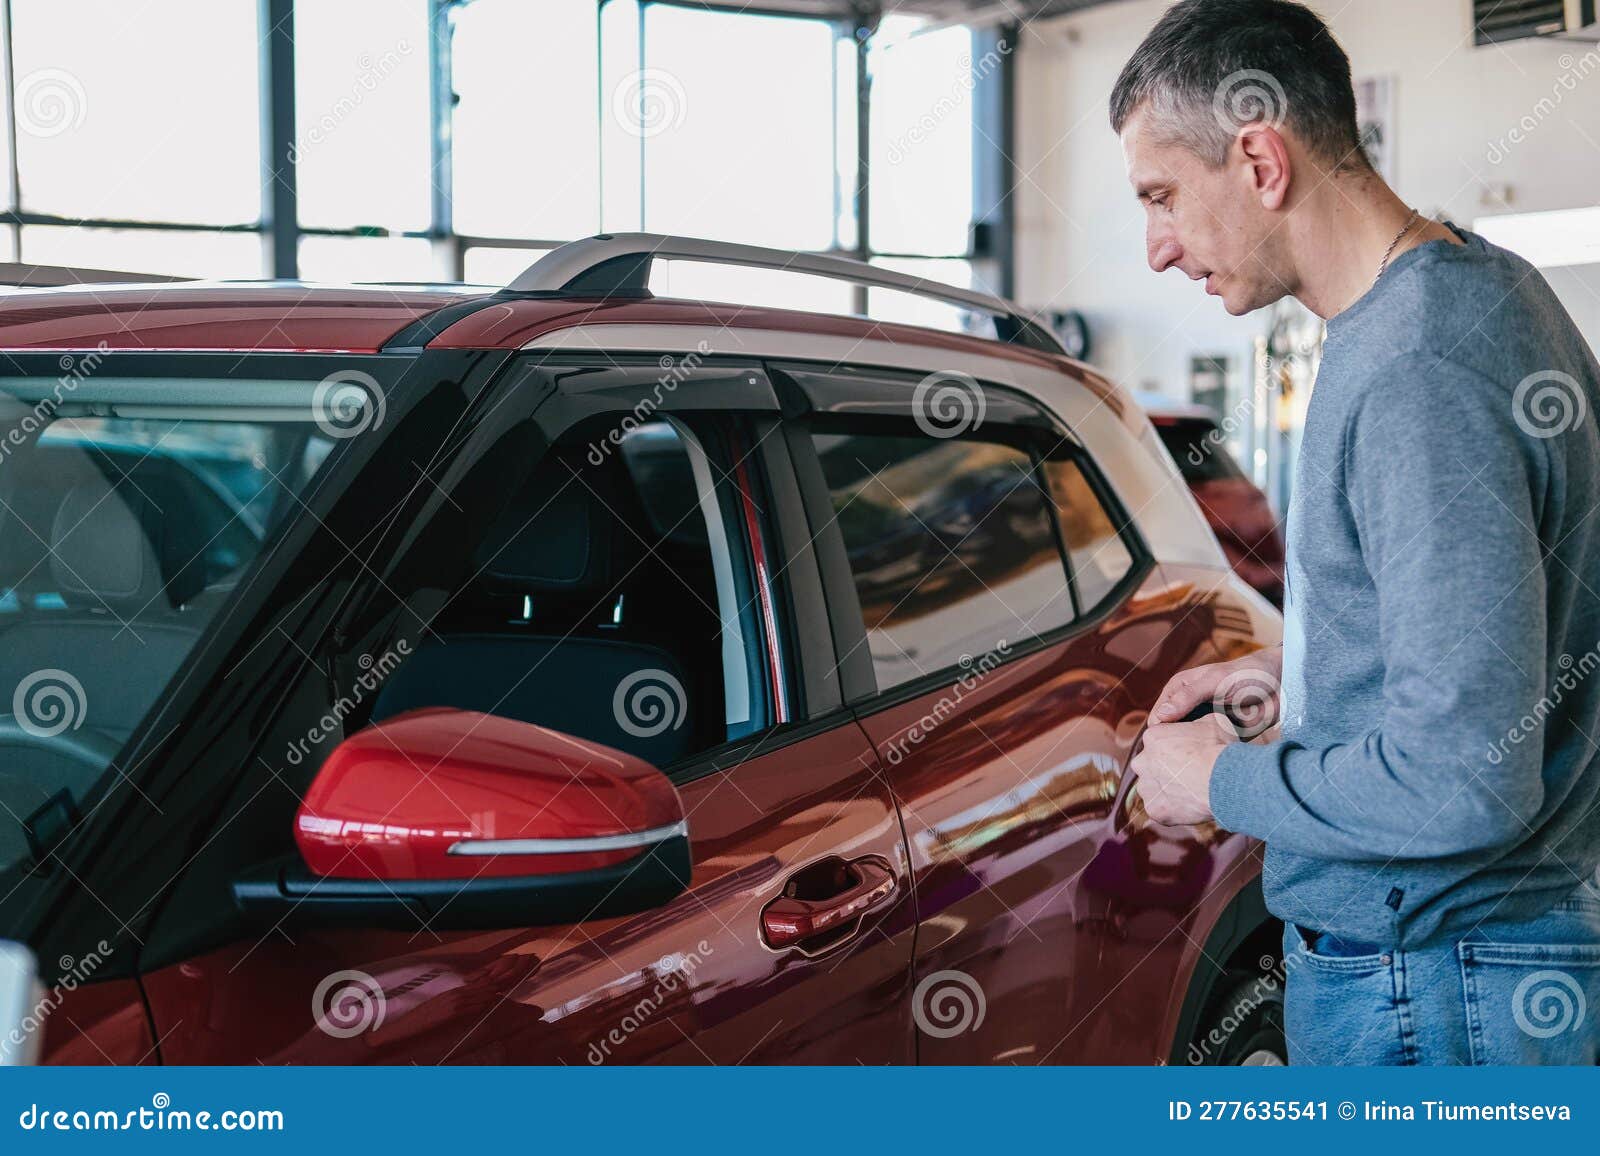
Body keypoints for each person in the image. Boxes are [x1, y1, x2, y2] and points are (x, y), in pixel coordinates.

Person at [1114, 0, 1600, 1064]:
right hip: (1474, 969)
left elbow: (1463, 777)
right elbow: (1511, 633)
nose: (1153, 249)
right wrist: (1315, 677)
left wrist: (1220, 781)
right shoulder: (1482, 293)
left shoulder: (1415, 369)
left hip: (1435, 984)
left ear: (1257, 158)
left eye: (1160, 196)